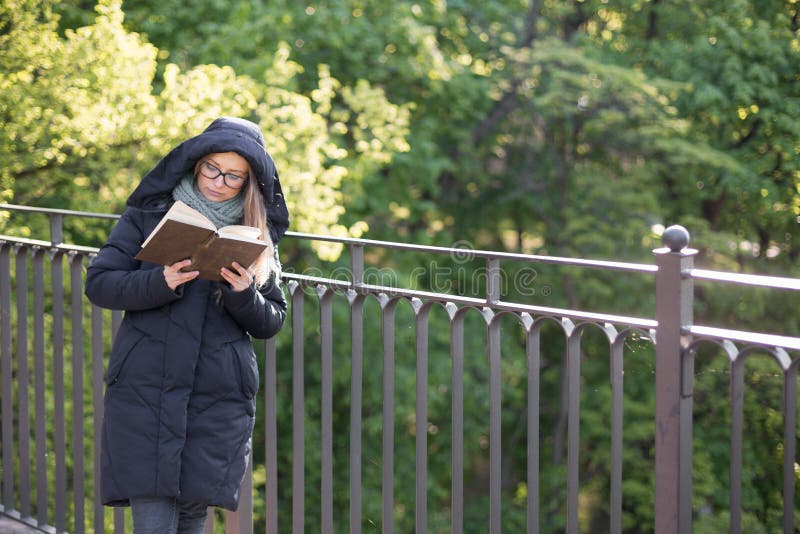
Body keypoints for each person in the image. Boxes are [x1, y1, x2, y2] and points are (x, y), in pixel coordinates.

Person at [85, 116, 289, 534]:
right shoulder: (149, 214)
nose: (218, 181)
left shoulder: (255, 233)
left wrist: (242, 293)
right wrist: (159, 281)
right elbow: (100, 284)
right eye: (211, 168)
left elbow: (272, 320)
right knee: (154, 517)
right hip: (147, 392)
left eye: (233, 176)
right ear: (195, 163)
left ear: (249, 182)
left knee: (194, 515)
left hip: (217, 399)